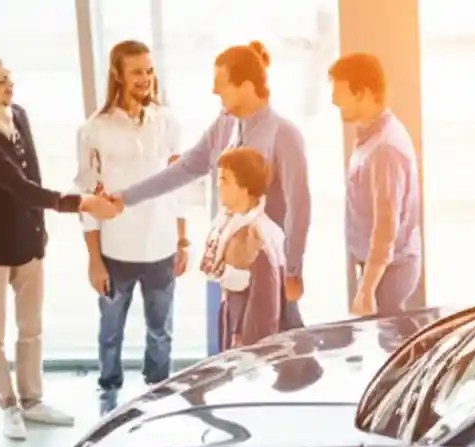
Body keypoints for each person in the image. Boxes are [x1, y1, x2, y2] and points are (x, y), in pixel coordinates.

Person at [93, 41, 311, 336]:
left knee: (278, 343)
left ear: (246, 87)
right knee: (234, 344)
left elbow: (299, 206)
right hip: (229, 269)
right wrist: (125, 198)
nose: (214, 90)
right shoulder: (225, 125)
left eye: (221, 83)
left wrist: (294, 269)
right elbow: (184, 168)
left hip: (265, 269)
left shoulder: (284, 134)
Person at [0, 53, 110, 440]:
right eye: (0, 80)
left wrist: (39, 231)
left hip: (26, 240)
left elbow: (33, 173)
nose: (9, 85)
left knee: (32, 327)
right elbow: (16, 185)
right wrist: (77, 202)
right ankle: (8, 405)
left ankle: (32, 399)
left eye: (9, 77)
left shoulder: (18, 115)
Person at [74, 40, 188, 409]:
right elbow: (86, 196)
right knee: (110, 334)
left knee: (161, 333)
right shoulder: (94, 129)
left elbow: (179, 185)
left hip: (161, 248)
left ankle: (159, 398)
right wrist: (94, 259)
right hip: (115, 252)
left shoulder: (169, 122)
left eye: (149, 70)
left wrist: (183, 241)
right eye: (137, 71)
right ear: (118, 75)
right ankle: (108, 398)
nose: (145, 78)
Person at [329, 53, 422, 317]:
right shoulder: (370, 138)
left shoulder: (384, 150)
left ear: (364, 94)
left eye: (340, 92)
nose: (334, 100)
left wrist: (367, 288)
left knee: (388, 339)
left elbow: (385, 226)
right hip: (380, 269)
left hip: (389, 274)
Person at [200, 147, 286, 351]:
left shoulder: (259, 234)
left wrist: (250, 353)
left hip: (248, 338)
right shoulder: (227, 223)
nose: (218, 186)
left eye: (224, 180)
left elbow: (265, 315)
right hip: (232, 322)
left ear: (244, 188)